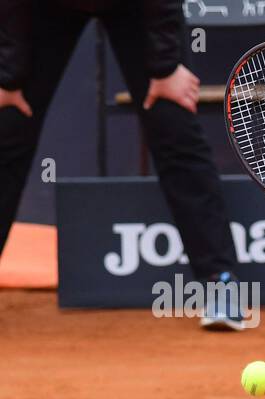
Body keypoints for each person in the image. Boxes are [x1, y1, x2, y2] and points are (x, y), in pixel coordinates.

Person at [0, 0, 243, 330]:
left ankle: (220, 282)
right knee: (9, 125)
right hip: (47, 7)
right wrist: (8, 76)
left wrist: (165, 67)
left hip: (137, 7)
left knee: (173, 124)